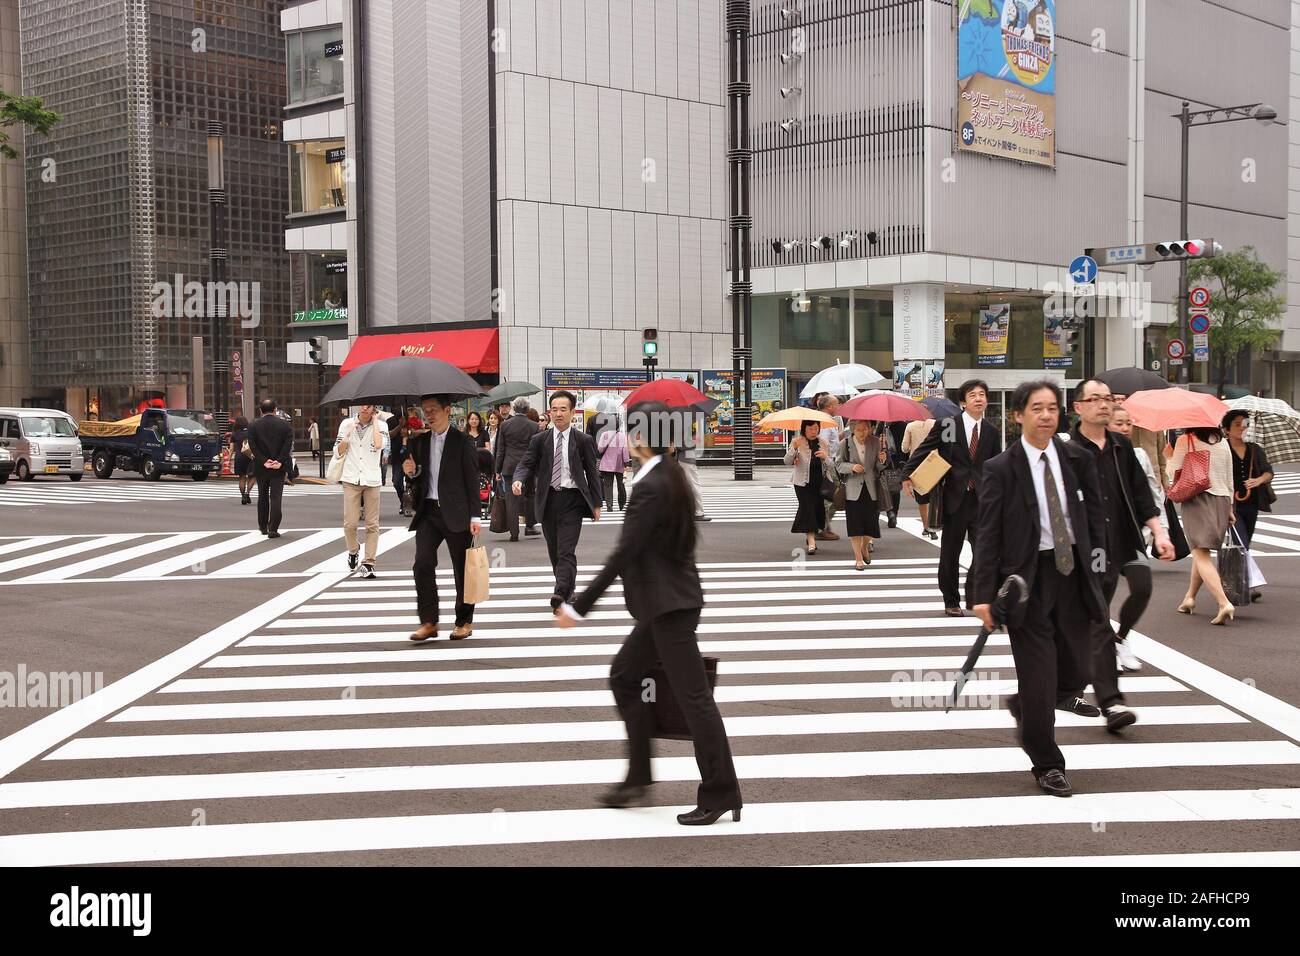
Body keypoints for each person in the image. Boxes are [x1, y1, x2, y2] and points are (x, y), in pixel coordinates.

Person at [554, 402, 742, 826]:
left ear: (639, 438)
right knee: (625, 675)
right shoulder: (668, 475)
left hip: (668, 608)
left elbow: (625, 552)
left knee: (695, 701)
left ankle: (719, 791)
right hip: (668, 604)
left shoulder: (653, 484)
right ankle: (639, 776)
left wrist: (578, 606)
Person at [972, 380, 1108, 798]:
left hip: (1072, 575)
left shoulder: (1076, 458)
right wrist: (981, 595)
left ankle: (1029, 706)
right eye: (1037, 408)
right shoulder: (1001, 468)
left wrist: (1101, 568)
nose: (1046, 415)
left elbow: (1095, 518)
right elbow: (987, 534)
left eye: (1052, 408)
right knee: (1038, 676)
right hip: (1026, 583)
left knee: (1081, 669)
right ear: (1018, 416)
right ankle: (1047, 763)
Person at [1063, 380, 1175, 731]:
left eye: (1108, 399)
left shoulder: (1121, 448)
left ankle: (1071, 686)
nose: (1104, 405)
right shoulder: (1066, 451)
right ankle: (1111, 703)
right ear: (1078, 407)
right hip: (1088, 549)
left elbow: (1142, 495)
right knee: (1097, 620)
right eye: (1094, 399)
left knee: (1101, 617)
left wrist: (1159, 533)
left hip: (1123, 542)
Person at [902, 379, 1001, 616]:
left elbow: (996, 462)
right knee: (950, 552)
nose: (979, 399)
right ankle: (951, 600)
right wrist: (907, 474)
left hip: (982, 500)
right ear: (963, 402)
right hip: (955, 498)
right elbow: (927, 448)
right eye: (973, 395)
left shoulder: (991, 431)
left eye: (982, 395)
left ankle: (976, 596)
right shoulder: (949, 425)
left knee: (984, 551)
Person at [400, 393, 483, 642]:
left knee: (462, 570)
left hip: (457, 512)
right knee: (422, 563)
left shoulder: (463, 441)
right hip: (429, 512)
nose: (429, 414)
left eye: (434, 409)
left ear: (447, 410)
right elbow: (417, 478)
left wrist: (476, 515)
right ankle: (429, 621)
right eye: (426, 410)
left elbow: (471, 479)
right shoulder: (420, 442)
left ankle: (464, 621)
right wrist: (411, 473)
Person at [513, 390, 603, 609]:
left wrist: (597, 503)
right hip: (548, 499)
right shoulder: (539, 440)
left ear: (572, 412)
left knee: (566, 549)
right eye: (554, 409)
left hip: (573, 500)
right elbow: (526, 463)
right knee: (554, 549)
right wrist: (518, 480)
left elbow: (592, 472)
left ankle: (560, 592)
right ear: (549, 412)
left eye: (563, 409)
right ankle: (567, 588)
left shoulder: (583, 440)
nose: (558, 414)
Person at [1107, 406, 1169, 648]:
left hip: (1131, 537)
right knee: (1101, 597)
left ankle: (1120, 637)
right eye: (1119, 423)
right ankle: (1105, 646)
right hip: (1101, 541)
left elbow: (1149, 495)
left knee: (1142, 588)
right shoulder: (1091, 455)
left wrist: (1160, 531)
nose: (1125, 428)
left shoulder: (1138, 455)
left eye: (1128, 423)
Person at [1170, 423, 1237, 624]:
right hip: (1222, 500)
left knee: (1200, 553)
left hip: (1198, 499)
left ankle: (1224, 602)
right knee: (1202, 553)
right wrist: (1230, 508)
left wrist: (1167, 455)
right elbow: (1229, 478)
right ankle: (1189, 598)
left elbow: (1172, 472)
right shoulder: (1223, 442)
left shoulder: (1186, 440)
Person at [334, 403, 389, 578]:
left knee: (372, 524)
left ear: (374, 408)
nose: (365, 408)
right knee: (350, 524)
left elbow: (379, 445)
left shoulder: (381, 426)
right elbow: (338, 451)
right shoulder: (346, 424)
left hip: (372, 479)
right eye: (363, 405)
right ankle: (353, 549)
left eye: (370, 406)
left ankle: (369, 562)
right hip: (351, 478)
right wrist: (348, 433)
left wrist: (374, 421)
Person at [835, 418, 887, 570]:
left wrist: (882, 460)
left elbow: (878, 467)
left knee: (871, 525)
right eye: (859, 429)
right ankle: (858, 558)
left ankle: (865, 547)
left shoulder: (876, 442)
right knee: (855, 525)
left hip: (871, 489)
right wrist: (851, 467)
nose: (863, 432)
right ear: (852, 430)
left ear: (870, 429)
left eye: (866, 429)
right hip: (853, 489)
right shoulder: (845, 443)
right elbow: (838, 464)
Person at [1223, 409, 1274, 554]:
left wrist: (1258, 480)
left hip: (1252, 503)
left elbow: (1269, 472)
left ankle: (1240, 574)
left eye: (1245, 424)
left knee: (1245, 544)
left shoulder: (1254, 449)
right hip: (1230, 505)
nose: (1242, 428)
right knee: (1241, 544)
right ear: (1227, 429)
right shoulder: (1222, 448)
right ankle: (1244, 574)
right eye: (1237, 424)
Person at [245, 398, 294, 538]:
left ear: (260, 411)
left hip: (262, 466)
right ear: (275, 410)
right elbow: (287, 445)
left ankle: (263, 526)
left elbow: (252, 446)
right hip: (278, 467)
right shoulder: (285, 426)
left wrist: (264, 460)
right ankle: (273, 528)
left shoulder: (253, 426)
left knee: (263, 495)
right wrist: (279, 460)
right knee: (276, 497)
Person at [494, 397, 541, 541]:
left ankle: (514, 533)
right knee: (530, 495)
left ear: (514, 409)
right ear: (527, 410)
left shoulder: (505, 425)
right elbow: (536, 450)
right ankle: (530, 526)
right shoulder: (534, 426)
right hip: (528, 466)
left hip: (509, 465)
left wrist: (497, 469)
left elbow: (501, 449)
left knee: (511, 500)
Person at [786, 420, 829, 554]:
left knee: (817, 510)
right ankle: (811, 541)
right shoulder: (797, 441)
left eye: (816, 428)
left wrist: (825, 457)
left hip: (819, 483)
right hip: (802, 483)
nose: (813, 431)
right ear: (804, 429)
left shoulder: (823, 443)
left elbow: (833, 464)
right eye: (810, 429)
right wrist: (793, 450)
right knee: (808, 508)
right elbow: (786, 461)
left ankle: (811, 535)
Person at [901, 416, 937, 538]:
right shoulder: (935, 424)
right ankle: (933, 525)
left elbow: (905, 448)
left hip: (916, 464)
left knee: (922, 498)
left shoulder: (910, 426)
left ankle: (926, 526)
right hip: (933, 462)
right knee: (934, 496)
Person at [816, 394, 842, 540]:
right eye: (836, 403)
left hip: (829, 462)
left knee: (830, 495)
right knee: (833, 494)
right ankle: (823, 528)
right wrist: (827, 465)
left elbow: (832, 441)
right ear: (829, 406)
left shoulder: (827, 420)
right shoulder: (825, 421)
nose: (838, 406)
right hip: (828, 464)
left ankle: (824, 527)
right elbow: (824, 442)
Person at [678, 417, 710, 521]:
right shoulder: (687, 427)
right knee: (693, 485)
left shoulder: (683, 427)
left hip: (685, 458)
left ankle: (693, 511)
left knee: (690, 485)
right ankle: (698, 512)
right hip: (686, 459)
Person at [596, 413, 630, 512]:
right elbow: (625, 450)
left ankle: (609, 505)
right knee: (621, 484)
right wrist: (626, 462)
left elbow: (600, 449)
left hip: (606, 464)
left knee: (607, 485)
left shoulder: (604, 434)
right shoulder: (622, 436)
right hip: (619, 464)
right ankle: (621, 504)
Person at [230, 415, 253, 505]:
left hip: (239, 456)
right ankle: (248, 493)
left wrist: (228, 459)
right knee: (253, 475)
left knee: (242, 477)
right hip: (250, 456)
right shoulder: (250, 432)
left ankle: (243, 496)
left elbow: (231, 448)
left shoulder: (235, 434)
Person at [391, 421, 411, 517]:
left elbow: (421, 431)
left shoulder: (412, 417)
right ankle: (403, 501)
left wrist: (409, 433)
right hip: (397, 458)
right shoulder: (391, 421)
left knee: (410, 483)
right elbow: (389, 435)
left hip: (411, 457)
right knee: (396, 482)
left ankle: (408, 505)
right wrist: (399, 426)